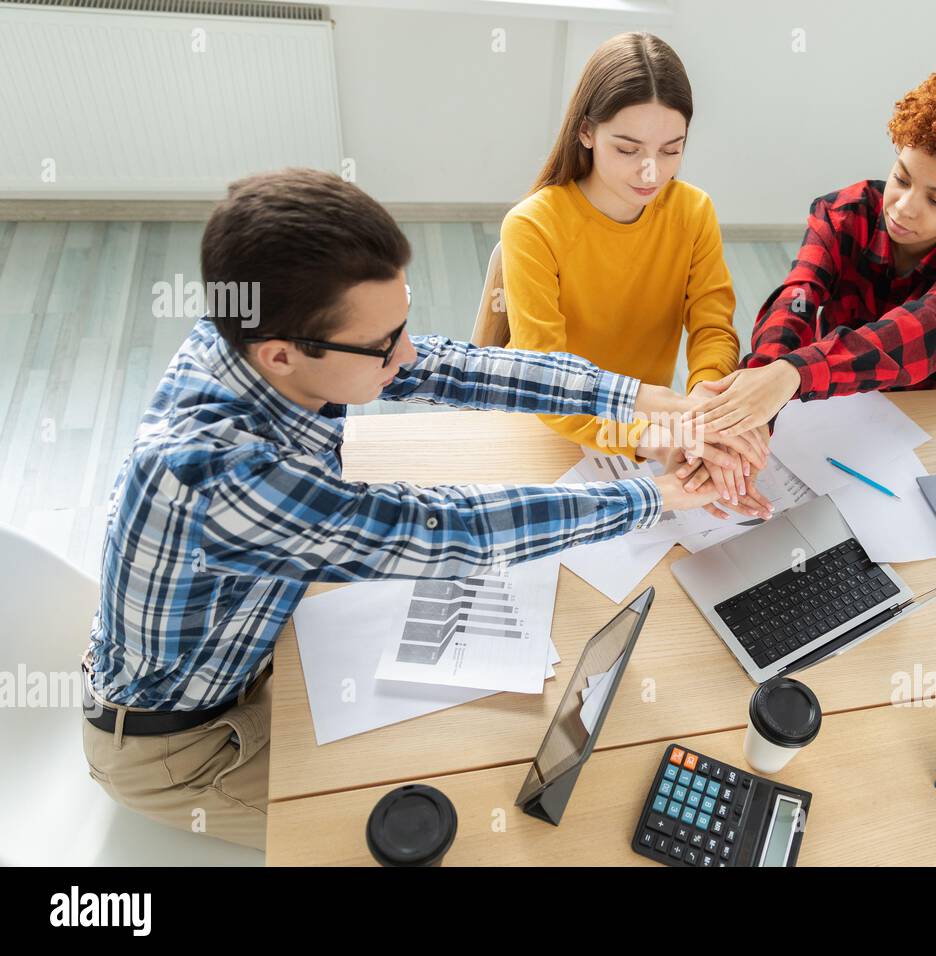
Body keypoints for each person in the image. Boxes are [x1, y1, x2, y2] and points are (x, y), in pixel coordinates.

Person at [81, 168, 725, 850]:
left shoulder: (265, 332)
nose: (408, 353)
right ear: (282, 356)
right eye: (386, 343)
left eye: (403, 322)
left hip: (257, 648)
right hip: (184, 748)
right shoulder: (216, 474)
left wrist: (642, 399)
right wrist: (649, 497)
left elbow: (451, 366)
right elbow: (442, 532)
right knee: (446, 840)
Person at [501, 31, 772, 520]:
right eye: (628, 149)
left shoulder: (692, 211)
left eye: (671, 150)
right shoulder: (533, 226)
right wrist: (659, 442)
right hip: (554, 439)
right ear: (586, 131)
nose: (651, 172)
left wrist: (700, 416)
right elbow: (548, 386)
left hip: (651, 424)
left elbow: (712, 328)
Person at [689, 67, 936, 447]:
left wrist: (792, 374)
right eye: (901, 179)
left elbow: (921, 333)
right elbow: (798, 296)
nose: (904, 207)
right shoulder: (842, 213)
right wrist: (762, 378)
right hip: (837, 396)